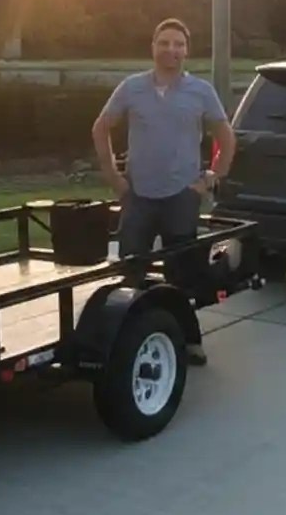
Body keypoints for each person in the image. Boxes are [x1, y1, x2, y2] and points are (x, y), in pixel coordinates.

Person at [90, 18, 238, 365]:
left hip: (181, 197)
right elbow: (101, 127)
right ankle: (127, 341)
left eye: (178, 44)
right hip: (138, 196)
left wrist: (212, 177)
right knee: (130, 272)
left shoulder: (200, 91)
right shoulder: (132, 87)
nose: (171, 50)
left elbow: (226, 136)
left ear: (186, 50)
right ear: (153, 47)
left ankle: (189, 340)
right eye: (164, 43)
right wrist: (114, 177)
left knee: (183, 276)